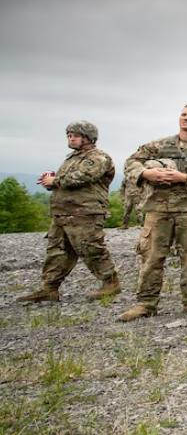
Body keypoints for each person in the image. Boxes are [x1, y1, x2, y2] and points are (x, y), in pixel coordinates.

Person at [119, 105, 187, 321]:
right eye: (184, 115)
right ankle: (145, 303)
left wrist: (183, 178)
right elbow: (131, 163)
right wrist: (148, 173)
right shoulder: (159, 145)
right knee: (151, 255)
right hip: (159, 208)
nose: (186, 118)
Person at [19, 121, 122, 303]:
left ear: (88, 138)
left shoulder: (98, 157)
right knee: (56, 251)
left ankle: (110, 282)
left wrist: (55, 180)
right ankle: (49, 288)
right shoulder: (71, 158)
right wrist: (50, 180)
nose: (71, 139)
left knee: (91, 249)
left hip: (85, 212)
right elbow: (65, 181)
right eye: (69, 135)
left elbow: (84, 176)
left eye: (75, 136)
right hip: (62, 213)